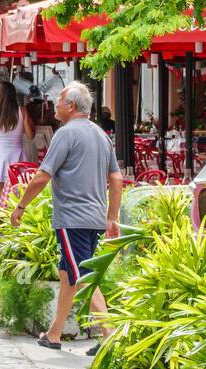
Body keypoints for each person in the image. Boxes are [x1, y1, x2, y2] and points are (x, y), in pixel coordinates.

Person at [9, 81, 122, 353]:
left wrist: (21, 206)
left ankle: (110, 335)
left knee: (83, 275)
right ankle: (55, 333)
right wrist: (111, 217)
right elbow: (116, 179)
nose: (54, 105)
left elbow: (42, 176)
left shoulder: (66, 134)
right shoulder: (101, 134)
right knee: (67, 273)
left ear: (70, 106)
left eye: (58, 101)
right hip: (93, 218)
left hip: (73, 219)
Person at [0, 80, 31, 193]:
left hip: (0, 155)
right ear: (13, 94)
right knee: (19, 192)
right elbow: (30, 135)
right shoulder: (22, 111)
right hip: (18, 154)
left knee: (3, 195)